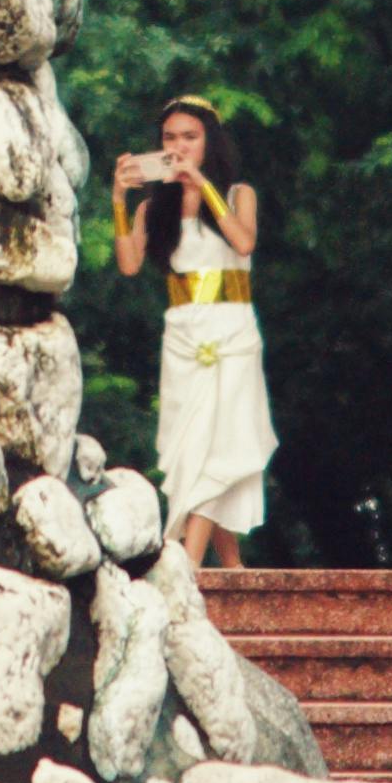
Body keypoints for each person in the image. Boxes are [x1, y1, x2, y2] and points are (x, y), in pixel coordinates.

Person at [113, 97, 276, 568]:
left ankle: (184, 564)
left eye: (190, 137)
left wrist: (202, 185)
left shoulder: (238, 193)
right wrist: (119, 200)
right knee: (192, 449)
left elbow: (244, 241)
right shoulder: (155, 208)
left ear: (210, 141)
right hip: (183, 332)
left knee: (222, 441)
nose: (179, 146)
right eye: (170, 138)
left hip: (232, 328)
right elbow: (128, 264)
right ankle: (233, 567)